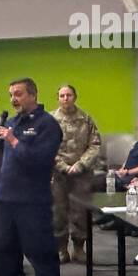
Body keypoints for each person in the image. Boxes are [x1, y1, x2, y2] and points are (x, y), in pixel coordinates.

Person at [0, 79, 63, 276]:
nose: (13, 99)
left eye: (18, 94)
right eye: (11, 94)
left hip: (32, 199)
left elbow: (39, 160)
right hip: (6, 196)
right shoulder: (12, 121)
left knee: (39, 250)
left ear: (33, 94)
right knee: (6, 247)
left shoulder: (48, 125)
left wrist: (13, 140)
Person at [50, 85, 102, 264]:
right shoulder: (50, 120)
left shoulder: (85, 119)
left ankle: (79, 248)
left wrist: (80, 165)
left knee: (80, 212)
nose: (65, 98)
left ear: (75, 97)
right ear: (58, 98)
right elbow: (46, 147)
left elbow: (95, 144)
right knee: (59, 212)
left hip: (82, 173)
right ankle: (61, 249)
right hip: (58, 174)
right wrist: (63, 165)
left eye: (69, 95)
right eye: (62, 95)